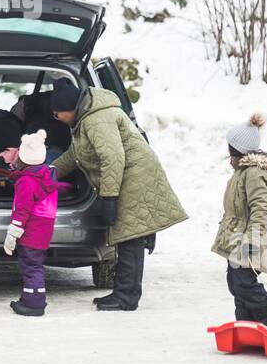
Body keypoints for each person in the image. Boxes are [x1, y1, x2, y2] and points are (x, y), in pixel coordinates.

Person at [50, 76, 187, 312]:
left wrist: (109, 197)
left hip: (134, 178)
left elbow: (113, 158)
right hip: (127, 176)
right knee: (129, 237)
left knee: (130, 238)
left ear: (69, 109)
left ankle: (127, 297)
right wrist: (48, 173)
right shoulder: (85, 120)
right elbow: (75, 155)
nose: (56, 119)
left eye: (56, 114)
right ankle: (124, 292)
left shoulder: (97, 120)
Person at [210, 113, 267, 331]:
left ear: (239, 148)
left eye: (230, 146)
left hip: (249, 240)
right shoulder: (241, 171)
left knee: (245, 284)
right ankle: (246, 324)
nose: (227, 150)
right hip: (236, 238)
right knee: (235, 283)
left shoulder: (253, 173)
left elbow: (260, 209)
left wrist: (252, 239)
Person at [3, 130, 58, 317]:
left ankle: (34, 304)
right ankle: (30, 298)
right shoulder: (47, 176)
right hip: (43, 231)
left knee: (30, 267)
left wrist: (13, 233)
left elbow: (22, 210)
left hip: (30, 231)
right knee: (35, 265)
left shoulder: (26, 182)